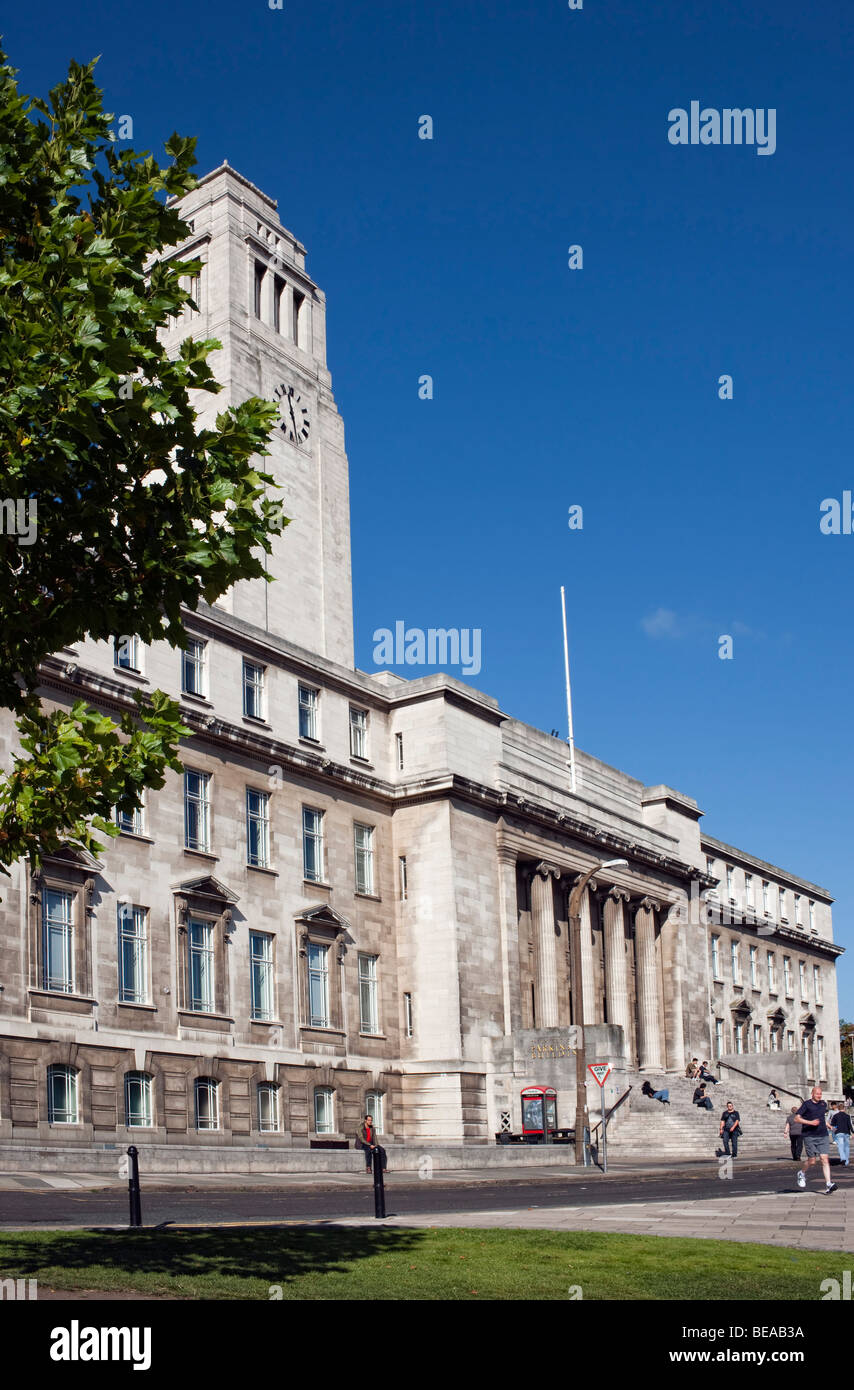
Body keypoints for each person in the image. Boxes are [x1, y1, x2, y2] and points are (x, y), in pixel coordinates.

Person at [795, 1086, 837, 1194]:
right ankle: (802, 1173)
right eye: (817, 1093)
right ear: (812, 1094)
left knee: (824, 1159)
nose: (819, 1095)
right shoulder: (806, 1104)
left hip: (823, 1135)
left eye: (820, 1093)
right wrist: (810, 1123)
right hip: (810, 1135)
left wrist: (829, 1126)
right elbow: (797, 1118)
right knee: (812, 1161)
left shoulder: (823, 1104)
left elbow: (821, 1118)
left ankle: (828, 1184)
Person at [830, 1101, 851, 1167]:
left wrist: (834, 1129)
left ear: (838, 1109)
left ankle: (843, 1158)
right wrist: (853, 1132)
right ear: (844, 1108)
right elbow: (849, 1125)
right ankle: (846, 1162)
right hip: (846, 1132)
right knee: (846, 1147)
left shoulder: (835, 1116)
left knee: (840, 1146)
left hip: (839, 1132)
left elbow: (832, 1124)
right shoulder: (847, 1116)